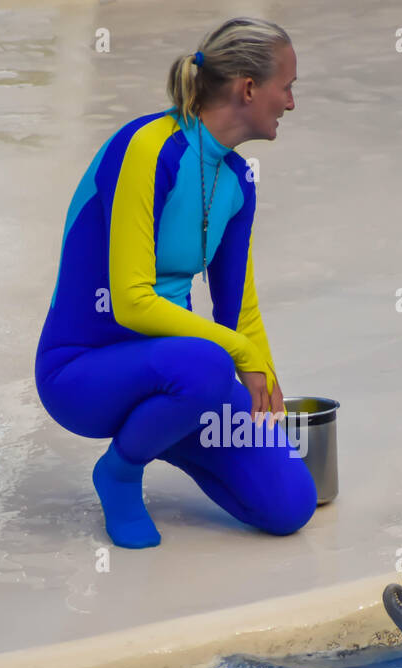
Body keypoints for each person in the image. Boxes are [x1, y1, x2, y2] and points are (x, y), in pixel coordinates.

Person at [35, 17, 317, 549]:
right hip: (83, 369)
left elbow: (238, 307)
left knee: (290, 506)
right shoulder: (148, 146)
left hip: (180, 376)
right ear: (249, 88)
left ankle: (163, 424)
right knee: (208, 364)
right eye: (289, 86)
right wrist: (237, 356)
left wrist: (266, 386)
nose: (291, 103)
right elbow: (131, 302)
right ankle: (118, 472)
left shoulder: (238, 180)